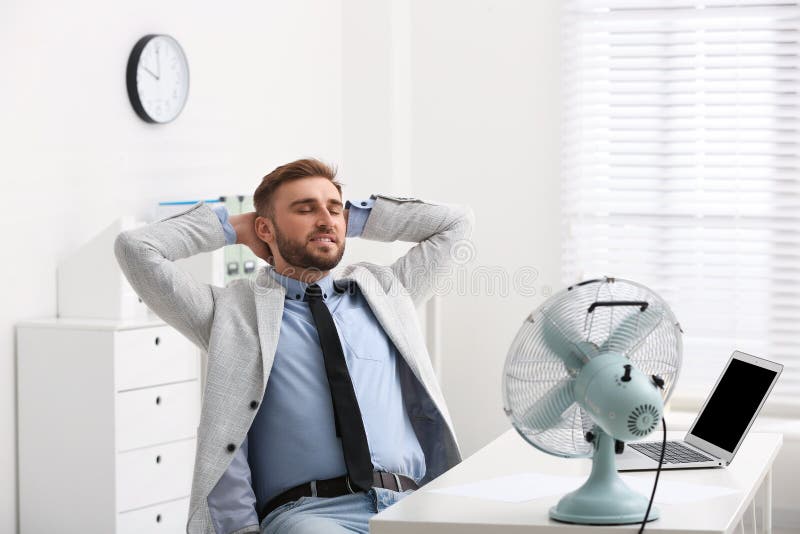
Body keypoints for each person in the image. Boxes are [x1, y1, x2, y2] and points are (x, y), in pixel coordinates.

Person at [114, 158, 474, 534]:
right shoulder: (231, 315)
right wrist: (236, 228)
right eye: (305, 209)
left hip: (411, 504)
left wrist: (357, 217)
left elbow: (456, 223)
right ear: (265, 228)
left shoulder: (386, 293)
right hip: (311, 516)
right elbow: (136, 248)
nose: (326, 219)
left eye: (334, 209)